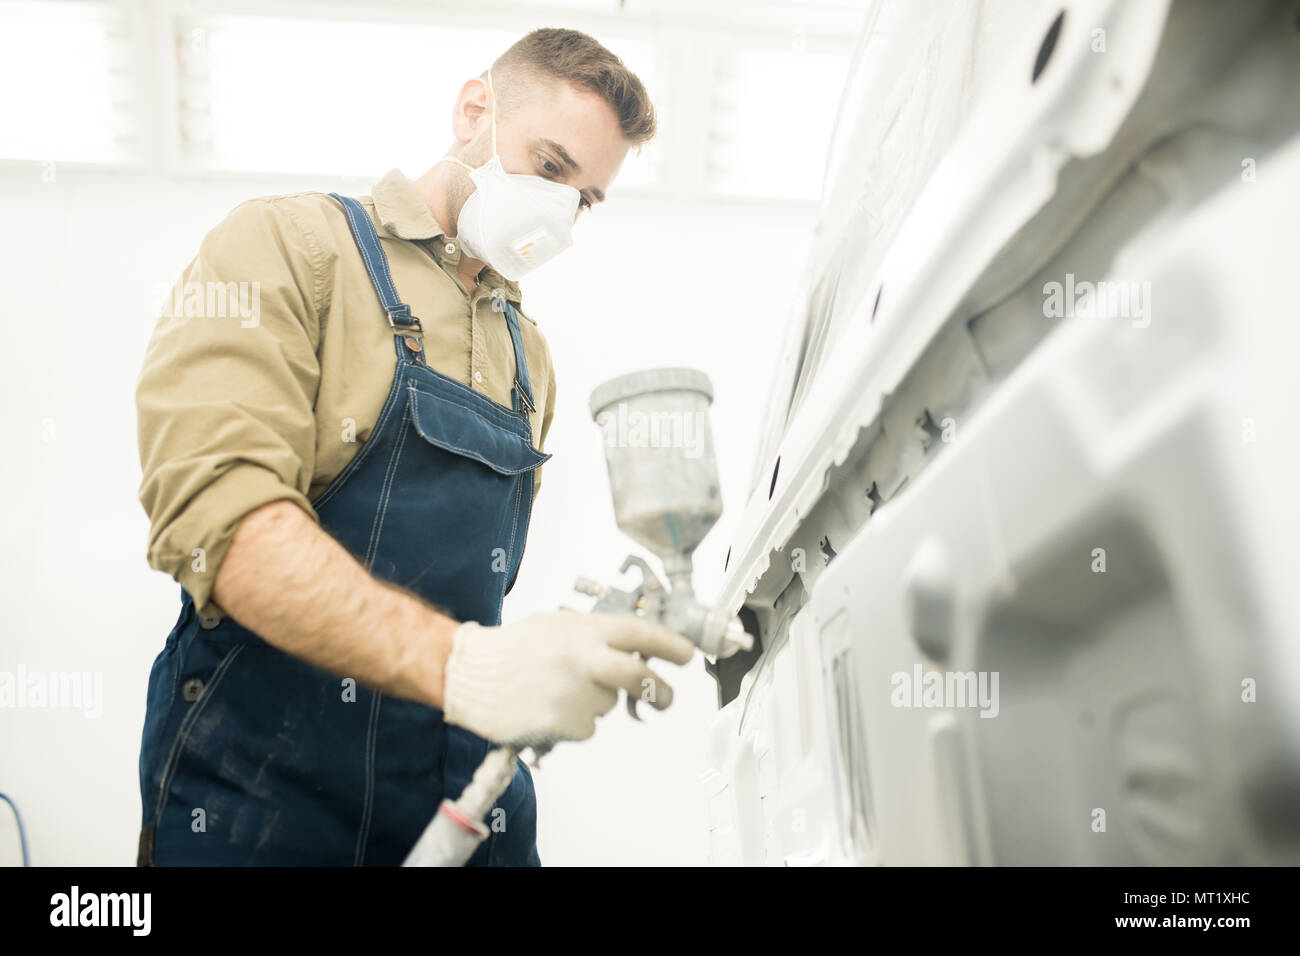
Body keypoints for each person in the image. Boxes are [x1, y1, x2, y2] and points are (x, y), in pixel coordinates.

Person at [133, 27, 693, 866]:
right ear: (476, 109)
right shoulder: (288, 248)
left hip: (459, 792)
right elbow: (227, 531)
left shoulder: (527, 358)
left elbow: (468, 594)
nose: (562, 211)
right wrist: (471, 667)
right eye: (549, 167)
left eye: (585, 198)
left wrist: (554, 657)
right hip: (262, 791)